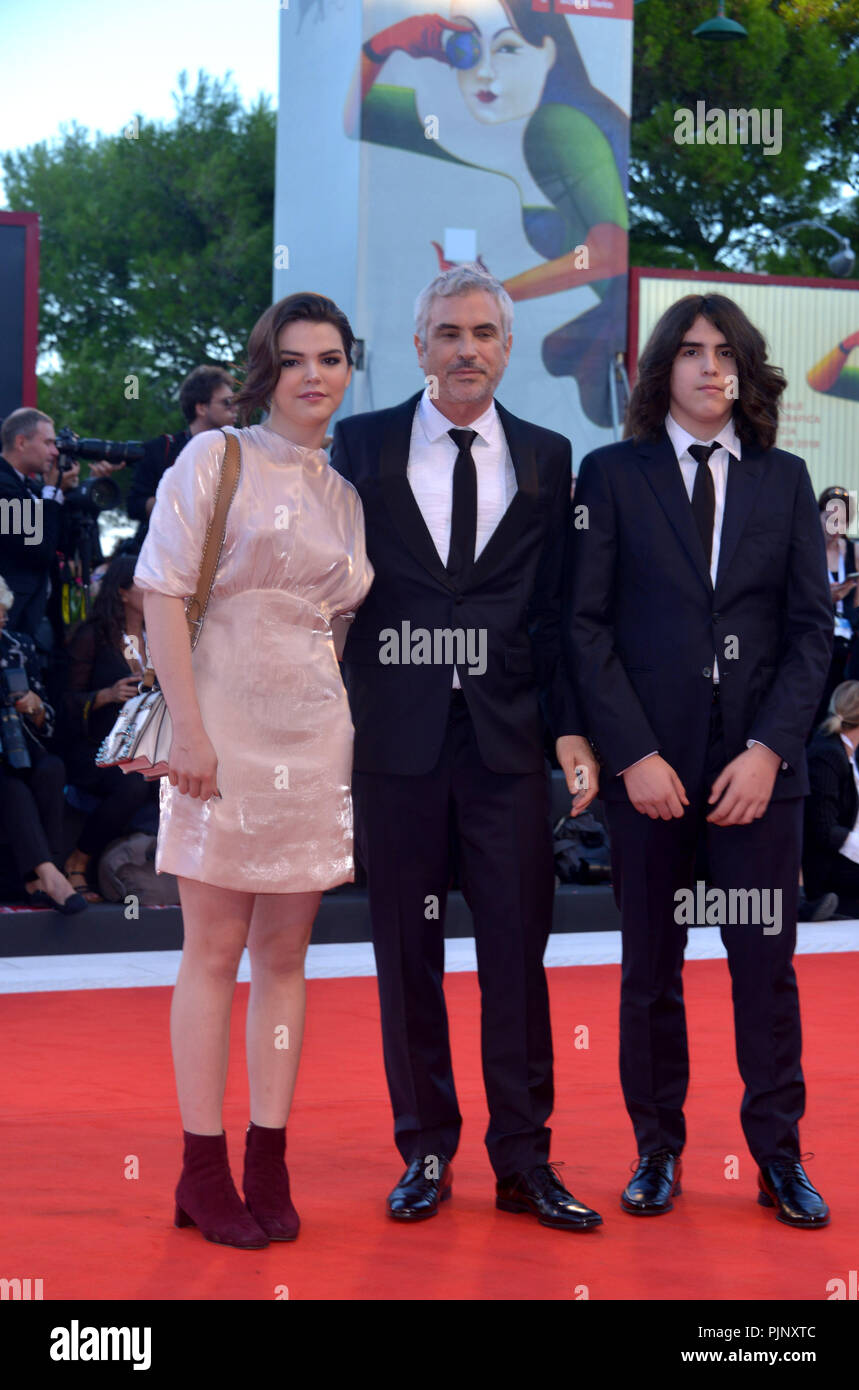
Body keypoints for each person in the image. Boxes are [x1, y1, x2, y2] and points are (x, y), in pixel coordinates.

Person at [331, 264, 602, 1230]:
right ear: (419, 346)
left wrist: (571, 728)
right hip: (395, 740)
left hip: (509, 742)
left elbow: (560, 612)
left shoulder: (548, 455)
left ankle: (525, 1160)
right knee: (407, 954)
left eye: (484, 333)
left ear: (507, 346)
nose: (466, 350)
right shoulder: (357, 447)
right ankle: (425, 1150)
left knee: (515, 962)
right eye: (448, 333)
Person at [567, 293, 834, 1228]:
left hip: (763, 781)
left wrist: (768, 751)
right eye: (690, 351)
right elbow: (585, 627)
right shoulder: (610, 476)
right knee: (650, 970)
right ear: (662, 371)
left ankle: (778, 1158)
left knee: (766, 971)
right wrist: (632, 754)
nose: (710, 367)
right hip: (653, 781)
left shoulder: (786, 478)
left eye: (726, 352)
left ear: (745, 367)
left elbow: (811, 633)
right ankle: (656, 1151)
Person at [134, 293, 373, 1250]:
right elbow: (161, 593)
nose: (315, 375)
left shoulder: (346, 496)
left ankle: (268, 1157)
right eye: (295, 359)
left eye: (332, 358)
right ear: (265, 370)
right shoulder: (215, 457)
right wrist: (188, 732)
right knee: (212, 950)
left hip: (315, 735)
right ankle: (201, 1166)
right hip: (219, 728)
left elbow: (340, 627)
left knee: (285, 957)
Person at [345, 0, 629, 427]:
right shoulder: (466, 124)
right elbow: (357, 121)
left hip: (593, 343)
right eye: (469, 49)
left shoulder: (561, 125)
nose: (485, 71)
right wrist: (383, 47)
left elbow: (609, 251)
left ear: (550, 52)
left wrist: (493, 293)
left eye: (508, 48)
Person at [61, 553, 158, 902]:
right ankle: (78, 860)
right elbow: (65, 702)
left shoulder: (159, 636)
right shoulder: (94, 635)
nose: (156, 590)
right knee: (132, 784)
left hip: (143, 744)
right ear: (122, 592)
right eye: (146, 584)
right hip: (94, 747)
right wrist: (106, 695)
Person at [0, 573, 86, 914]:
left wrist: (35, 707)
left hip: (20, 747)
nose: (4, 617)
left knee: (53, 768)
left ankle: (38, 878)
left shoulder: (18, 645)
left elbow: (48, 723)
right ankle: (50, 875)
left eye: (4, 610)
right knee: (13, 789)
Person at [125, 366, 238, 550]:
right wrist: (181, 507)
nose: (235, 408)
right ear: (201, 408)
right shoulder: (161, 449)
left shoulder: (240, 455)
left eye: (236, 402)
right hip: (167, 556)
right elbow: (134, 504)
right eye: (227, 403)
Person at [0, 409, 80, 639]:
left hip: (41, 619)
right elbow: (37, 549)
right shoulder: (4, 486)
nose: (55, 452)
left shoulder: (36, 489)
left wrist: (68, 493)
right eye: (48, 443)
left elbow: (62, 544)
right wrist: (52, 495)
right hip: (12, 619)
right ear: (21, 442)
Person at [803, 680, 859, 907]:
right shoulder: (827, 755)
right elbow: (824, 830)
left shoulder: (850, 756)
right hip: (828, 868)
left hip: (851, 858)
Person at [812, 485, 859, 728]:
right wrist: (826, 597)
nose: (835, 526)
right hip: (815, 636)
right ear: (819, 515)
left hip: (844, 645)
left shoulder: (857, 553)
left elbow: (856, 606)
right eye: (830, 518)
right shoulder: (807, 550)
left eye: (842, 521)